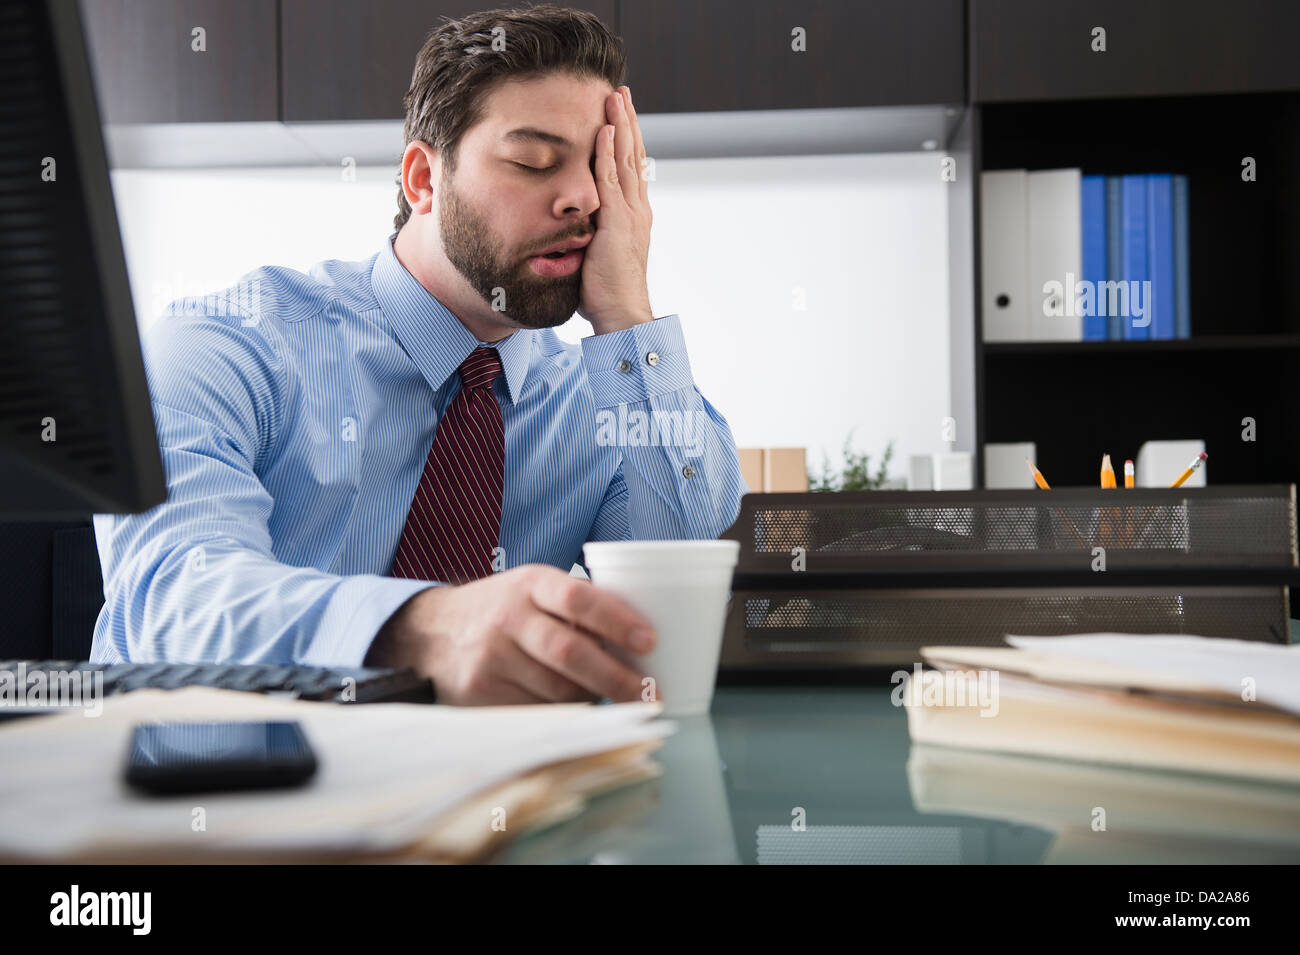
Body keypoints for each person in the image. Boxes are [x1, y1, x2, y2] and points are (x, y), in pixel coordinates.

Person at [90, 5, 746, 705]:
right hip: (217, 798)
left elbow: (675, 587)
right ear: (423, 180)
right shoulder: (227, 345)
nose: (583, 200)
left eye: (601, 171)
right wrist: (423, 628)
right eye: (533, 161)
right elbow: (171, 600)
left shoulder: (604, 400)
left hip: (483, 803)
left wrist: (626, 317)